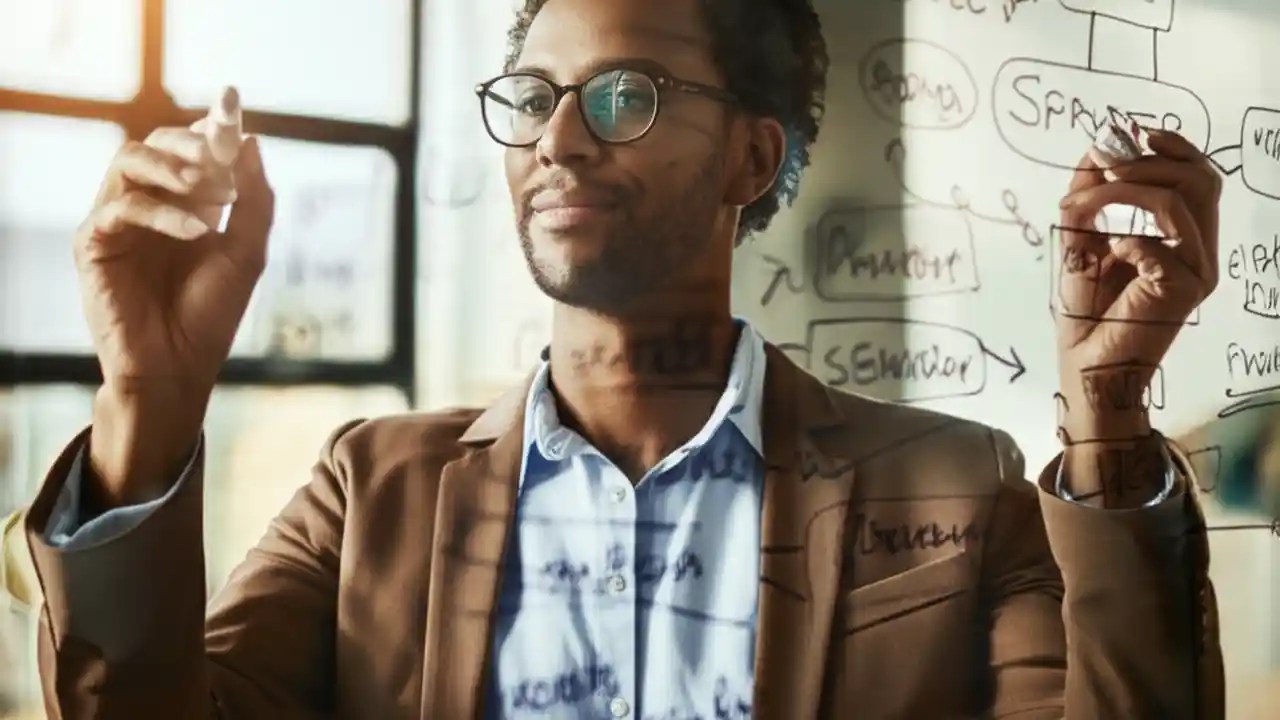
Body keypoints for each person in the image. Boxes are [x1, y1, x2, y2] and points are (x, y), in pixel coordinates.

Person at [16, 0, 1226, 717]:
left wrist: (1105, 409)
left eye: (622, 97)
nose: (553, 138)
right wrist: (148, 402)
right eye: (535, 93)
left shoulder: (957, 488)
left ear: (751, 164)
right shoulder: (370, 485)